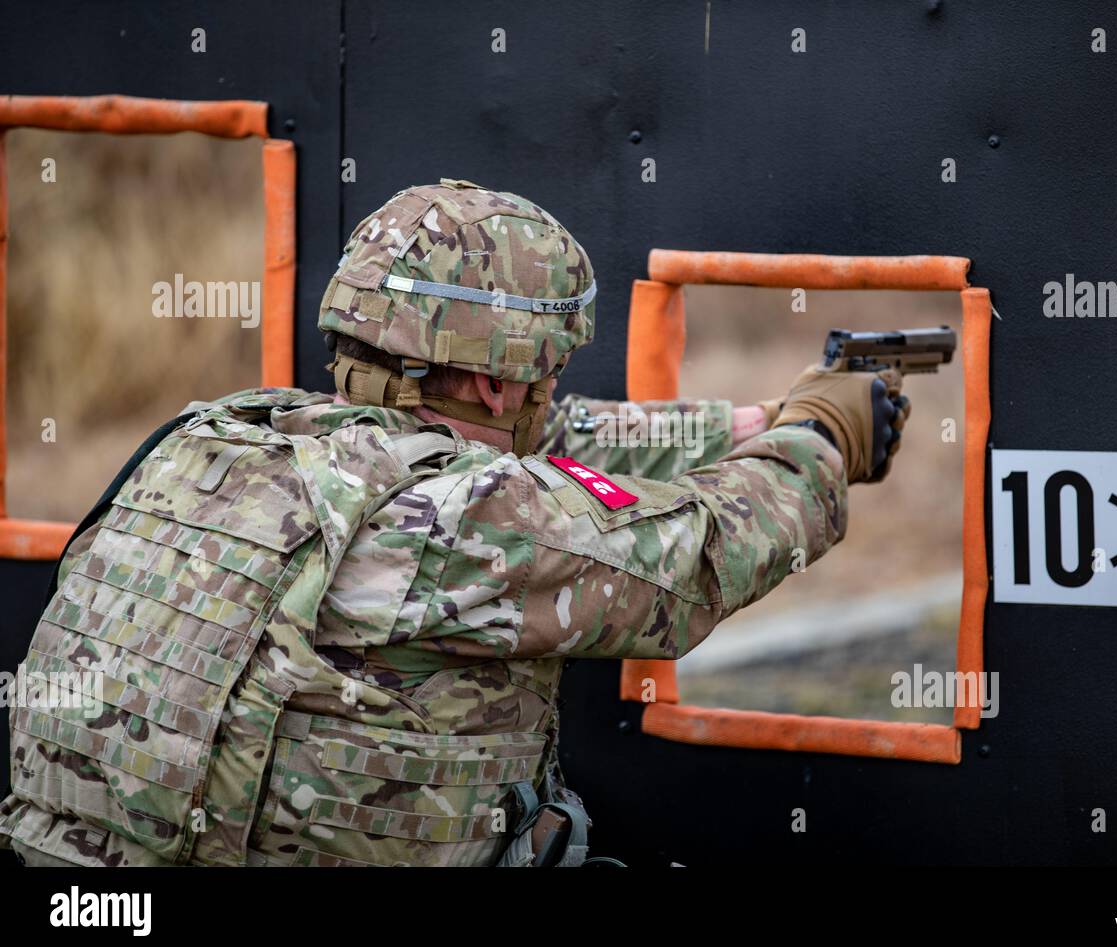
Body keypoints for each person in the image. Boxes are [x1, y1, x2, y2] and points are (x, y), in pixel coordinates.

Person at [0, 179, 909, 867]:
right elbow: (703, 556)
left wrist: (747, 424)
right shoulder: (459, 519)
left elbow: (556, 438)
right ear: (497, 381)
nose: (549, 387)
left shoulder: (217, 437)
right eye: (545, 367)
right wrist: (823, 440)